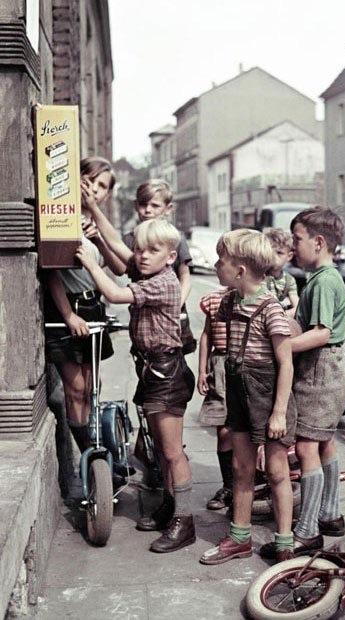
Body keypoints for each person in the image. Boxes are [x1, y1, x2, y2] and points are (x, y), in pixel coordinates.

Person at [76, 218, 197, 553]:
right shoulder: (150, 272)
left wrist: (88, 262)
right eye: (140, 248)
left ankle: (184, 522)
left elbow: (114, 293)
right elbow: (122, 252)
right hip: (152, 370)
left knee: (173, 452)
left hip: (166, 373)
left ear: (171, 256)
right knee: (162, 450)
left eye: (152, 250)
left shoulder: (164, 283)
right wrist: (99, 237)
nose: (142, 256)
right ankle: (172, 507)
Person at [200, 229, 297, 565]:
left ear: (240, 271)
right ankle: (239, 538)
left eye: (221, 261)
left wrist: (279, 413)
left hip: (270, 397)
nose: (215, 266)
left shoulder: (271, 309)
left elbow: (285, 363)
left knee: (276, 471)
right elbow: (212, 326)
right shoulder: (229, 300)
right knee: (242, 467)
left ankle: (285, 542)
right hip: (240, 394)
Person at [261, 207, 345, 560]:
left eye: (297, 239)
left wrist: (282, 346)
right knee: (325, 441)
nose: (294, 245)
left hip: (320, 370)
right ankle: (330, 514)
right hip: (326, 369)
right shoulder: (319, 277)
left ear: (318, 241)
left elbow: (322, 333)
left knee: (307, 446)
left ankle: (308, 531)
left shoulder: (325, 281)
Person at [44, 156, 125, 456]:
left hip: (93, 307)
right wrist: (67, 314)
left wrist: (100, 240)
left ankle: (98, 456)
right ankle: (90, 457)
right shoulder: (58, 214)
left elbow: (118, 268)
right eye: (90, 180)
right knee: (75, 388)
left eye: (102, 186)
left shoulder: (96, 222)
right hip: (66, 307)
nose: (95, 190)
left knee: (92, 387)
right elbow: (49, 271)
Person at [80, 178, 196, 354]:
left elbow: (185, 276)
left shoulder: (171, 239)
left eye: (155, 205)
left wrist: (175, 304)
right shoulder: (134, 240)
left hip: (164, 342)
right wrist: (94, 213)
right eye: (139, 250)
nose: (143, 255)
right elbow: (117, 247)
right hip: (147, 340)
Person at [197, 285, 233, 511]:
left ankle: (250, 486)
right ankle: (228, 486)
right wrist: (202, 370)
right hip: (219, 365)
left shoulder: (259, 295)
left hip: (248, 364)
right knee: (222, 428)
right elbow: (207, 335)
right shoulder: (213, 299)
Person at [264, 228, 299, 315]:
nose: (273, 256)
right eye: (270, 251)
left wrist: (282, 315)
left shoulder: (289, 280)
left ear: (289, 256)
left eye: (279, 253)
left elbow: (297, 307)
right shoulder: (259, 276)